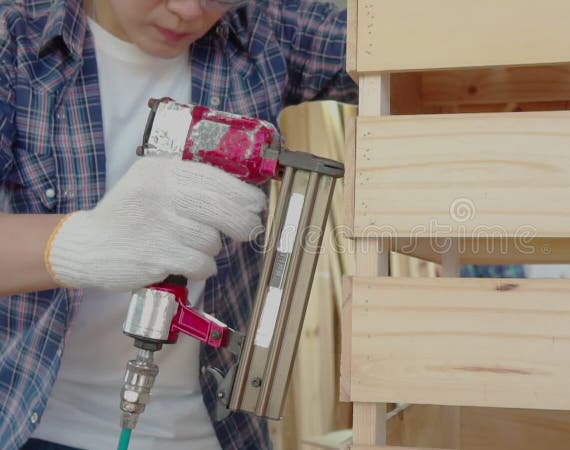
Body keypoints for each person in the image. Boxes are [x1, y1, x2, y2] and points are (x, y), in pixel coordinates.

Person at [0, 0, 356, 449]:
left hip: (214, 432)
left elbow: (417, 46)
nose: (189, 11)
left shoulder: (265, 26)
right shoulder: (15, 34)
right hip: (38, 427)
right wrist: (74, 244)